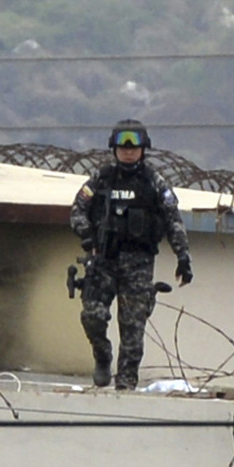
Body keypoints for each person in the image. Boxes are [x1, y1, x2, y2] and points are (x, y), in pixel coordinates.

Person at [69, 119, 192, 389]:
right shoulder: (102, 179)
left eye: (133, 145)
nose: (127, 150)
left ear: (143, 148)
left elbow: (173, 219)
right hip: (103, 261)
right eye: (122, 145)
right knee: (92, 316)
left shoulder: (154, 182)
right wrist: (87, 235)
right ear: (114, 148)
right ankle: (102, 356)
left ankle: (126, 386)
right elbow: (77, 209)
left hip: (138, 265)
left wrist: (183, 257)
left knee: (133, 331)